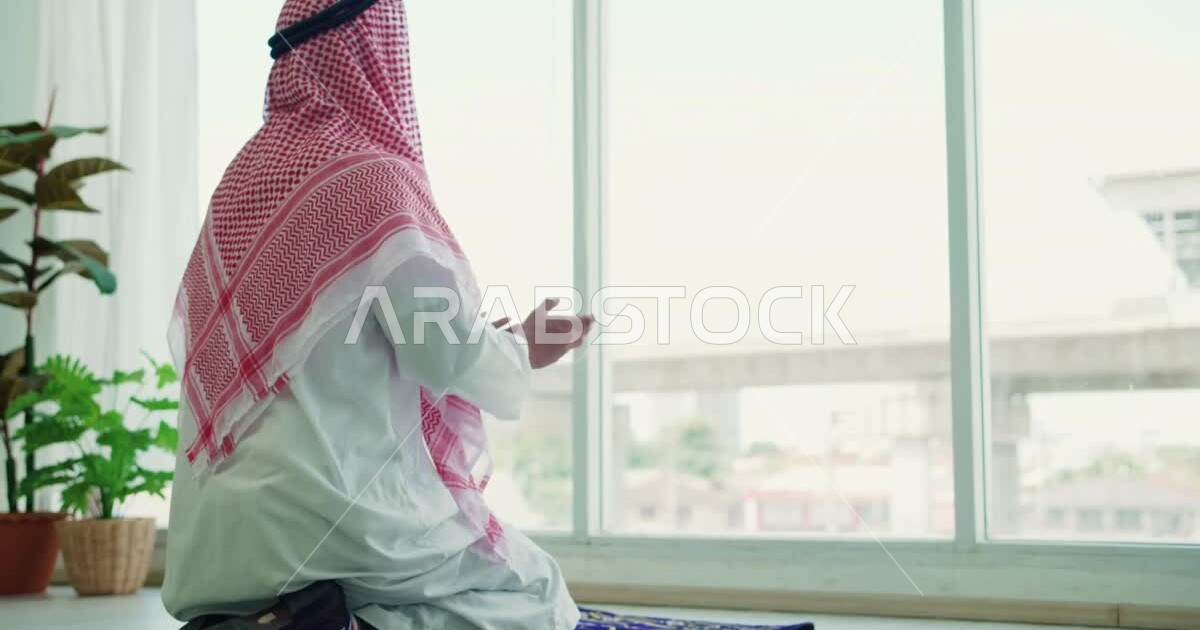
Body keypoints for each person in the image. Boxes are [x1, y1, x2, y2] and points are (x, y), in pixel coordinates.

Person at [161, 0, 593, 628]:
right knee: (537, 592)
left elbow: (334, 344)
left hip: (220, 552)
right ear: (375, 53)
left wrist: (480, 340)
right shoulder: (370, 179)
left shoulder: (244, 179)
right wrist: (526, 343)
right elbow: (446, 354)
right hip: (331, 521)